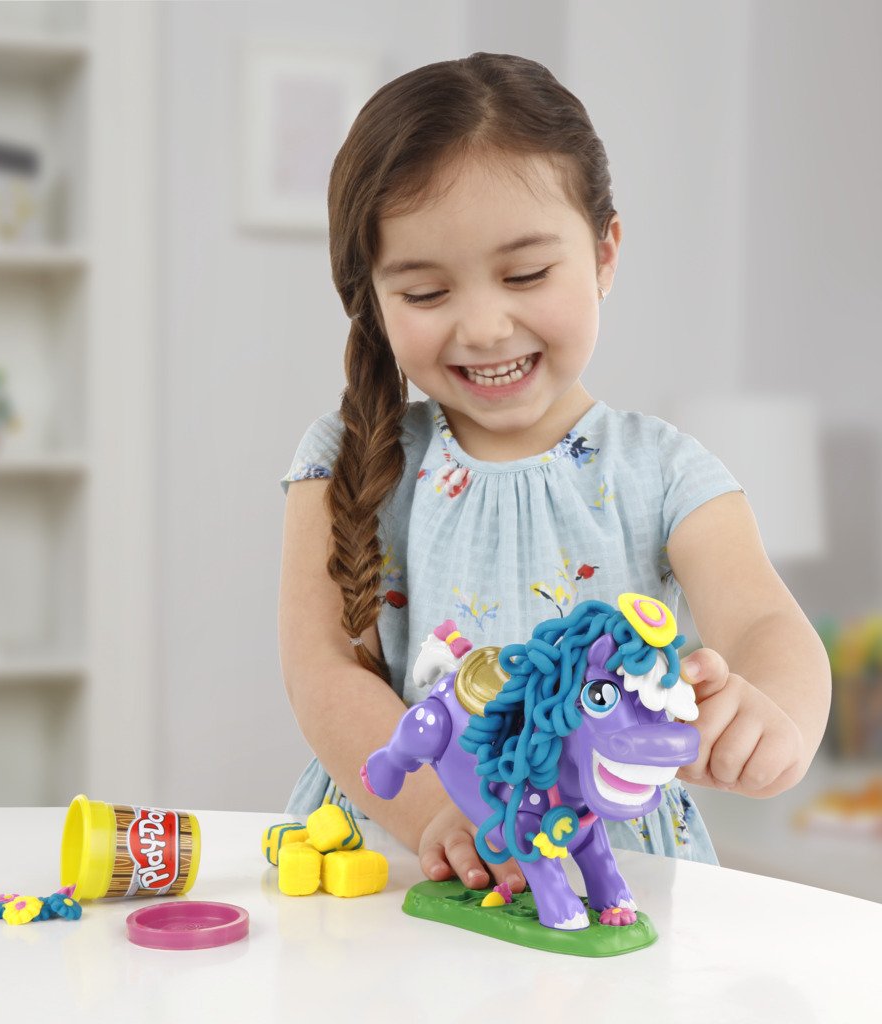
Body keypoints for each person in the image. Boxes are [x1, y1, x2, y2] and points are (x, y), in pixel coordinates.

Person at [278, 52, 830, 895]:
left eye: (527, 274)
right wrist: (436, 812)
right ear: (375, 299)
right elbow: (323, 671)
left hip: (616, 863)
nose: (484, 326)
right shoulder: (345, 458)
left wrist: (774, 715)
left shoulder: (666, 472)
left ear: (605, 253)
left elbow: (764, 622)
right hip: (408, 857)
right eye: (425, 293)